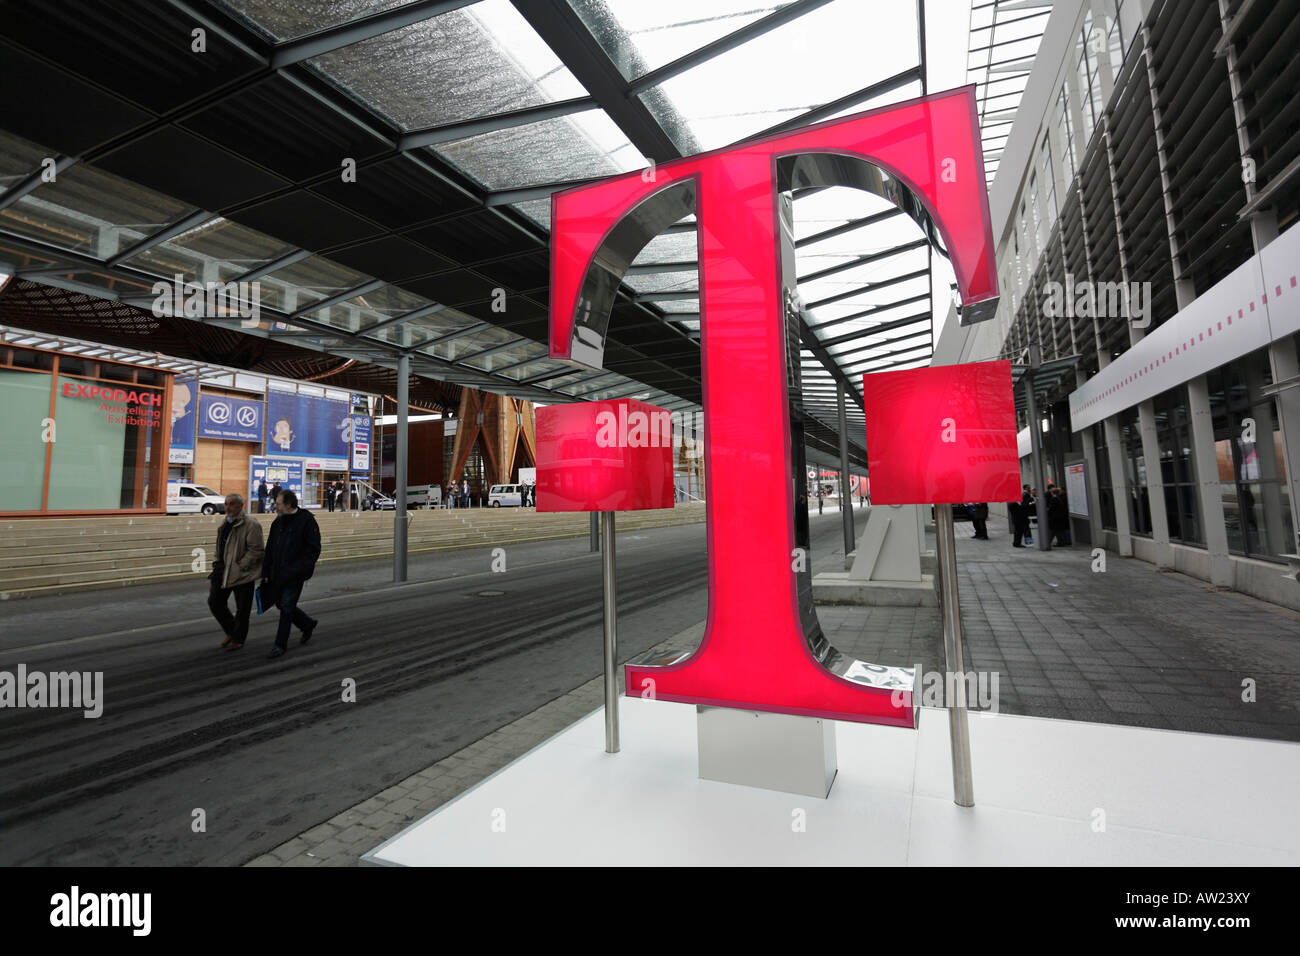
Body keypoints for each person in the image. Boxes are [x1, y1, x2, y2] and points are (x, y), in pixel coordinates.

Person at [260, 489, 321, 660]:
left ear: (288, 505)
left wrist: (301, 569)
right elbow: (270, 549)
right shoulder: (277, 523)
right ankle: (307, 624)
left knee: (286, 607)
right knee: (281, 604)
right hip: (277, 573)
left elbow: (313, 549)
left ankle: (280, 644)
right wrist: (265, 571)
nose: (275, 507)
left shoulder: (306, 521)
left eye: (278, 504)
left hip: (295, 574)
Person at [208, 493, 264, 652]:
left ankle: (238, 638)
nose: (228, 507)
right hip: (222, 570)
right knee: (215, 602)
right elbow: (221, 546)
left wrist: (242, 566)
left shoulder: (250, 524)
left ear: (241, 505)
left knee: (242, 608)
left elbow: (257, 550)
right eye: (226, 504)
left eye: (232, 504)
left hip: (242, 573)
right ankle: (232, 631)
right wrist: (216, 562)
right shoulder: (225, 523)